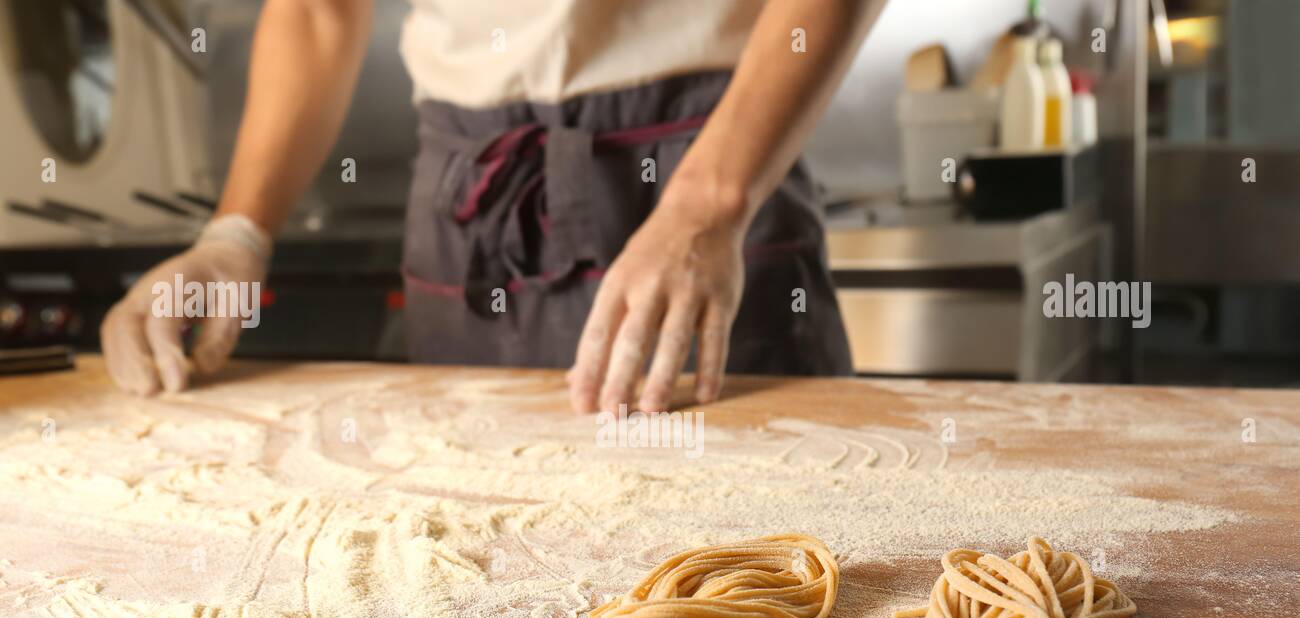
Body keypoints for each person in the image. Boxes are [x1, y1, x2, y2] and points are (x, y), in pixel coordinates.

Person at [101, 0, 887, 413]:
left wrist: (711, 201)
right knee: (479, 564)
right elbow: (316, 8)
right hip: (469, 196)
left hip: (713, 154)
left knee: (756, 567)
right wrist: (236, 235)